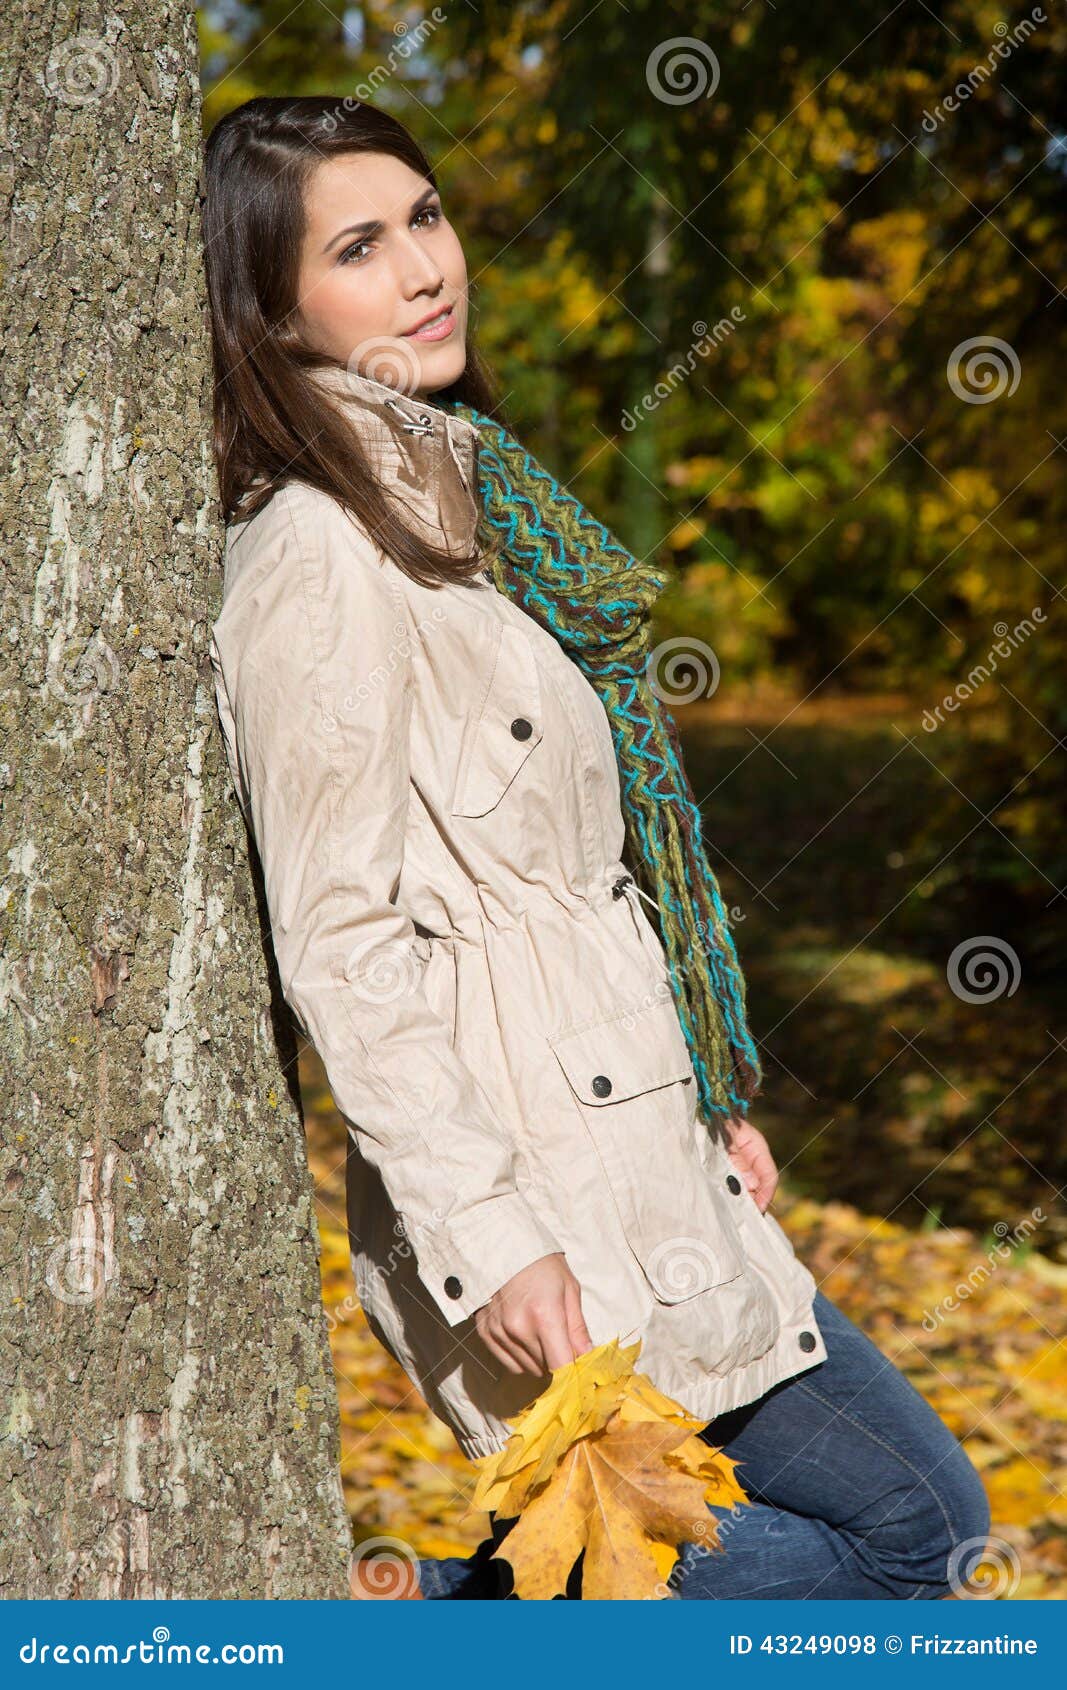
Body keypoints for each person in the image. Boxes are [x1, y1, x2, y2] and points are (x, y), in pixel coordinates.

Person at [201, 95, 990, 1599]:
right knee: (880, 1558)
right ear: (273, 306)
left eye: (425, 217)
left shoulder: (472, 500)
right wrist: (491, 1239)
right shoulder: (315, 551)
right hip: (534, 1207)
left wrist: (704, 1099)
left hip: (657, 1164)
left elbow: (590, 879)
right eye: (358, 247)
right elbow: (342, 942)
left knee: (931, 1527)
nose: (424, 267)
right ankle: (418, 1620)